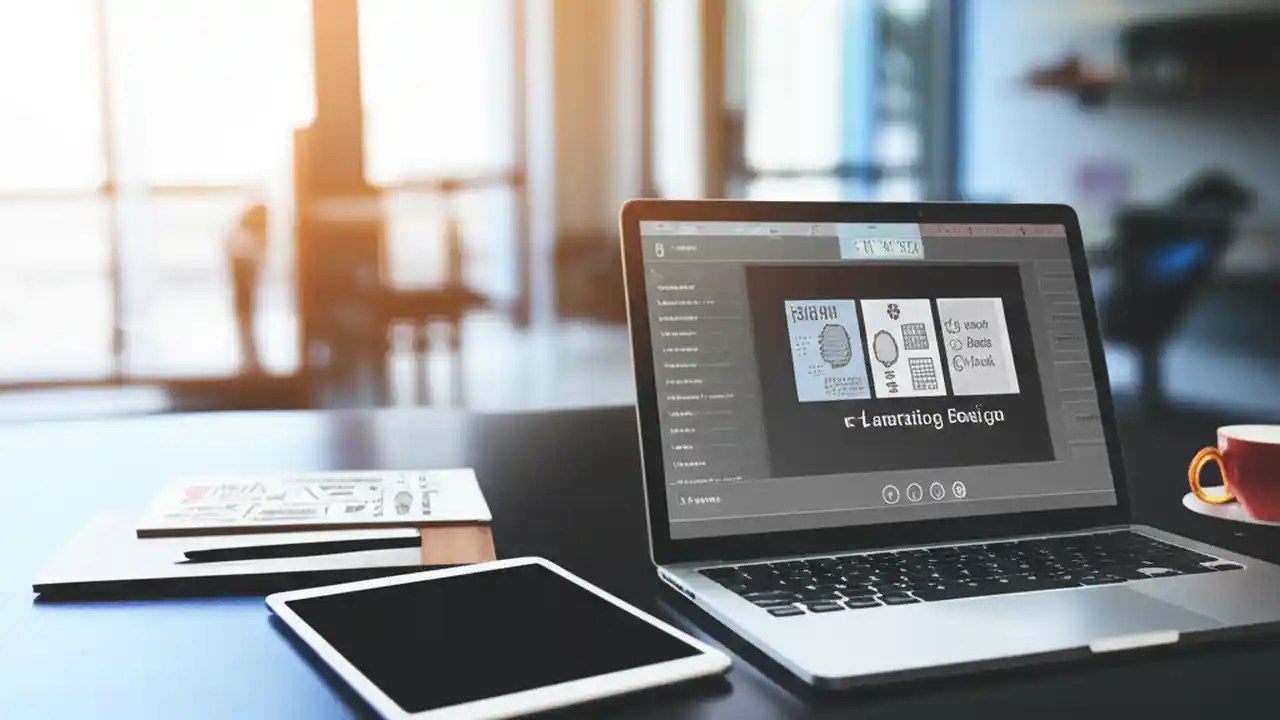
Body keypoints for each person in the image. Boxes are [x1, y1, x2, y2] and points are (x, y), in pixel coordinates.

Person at [226, 203, 269, 372]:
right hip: (243, 279)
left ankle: (247, 339)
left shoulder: (244, 235)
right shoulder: (244, 236)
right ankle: (247, 340)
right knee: (244, 310)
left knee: (246, 311)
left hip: (245, 279)